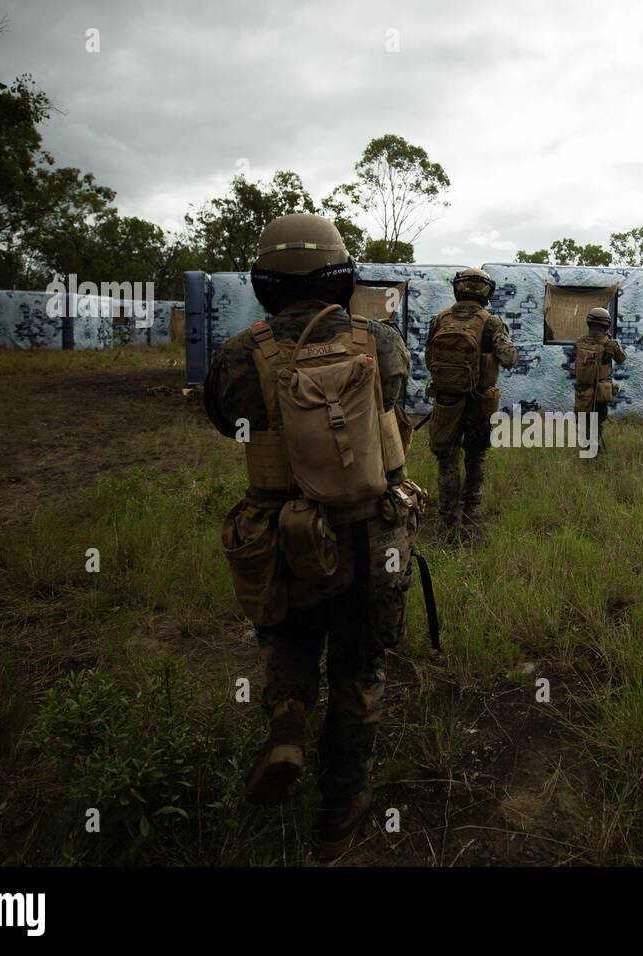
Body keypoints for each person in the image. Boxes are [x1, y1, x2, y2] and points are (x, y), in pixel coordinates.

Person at [203, 212, 423, 860]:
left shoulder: (243, 353)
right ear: (341, 275)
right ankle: (338, 813)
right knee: (360, 667)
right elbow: (398, 397)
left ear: (264, 281)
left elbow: (224, 418)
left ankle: (289, 718)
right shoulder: (379, 342)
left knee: (291, 638)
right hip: (366, 534)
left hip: (282, 534)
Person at [424, 267, 517, 538]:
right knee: (475, 455)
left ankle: (447, 520)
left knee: (447, 459)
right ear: (487, 291)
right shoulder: (491, 322)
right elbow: (509, 359)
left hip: (446, 400)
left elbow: (430, 360)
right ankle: (470, 512)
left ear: (458, 288)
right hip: (480, 402)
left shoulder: (439, 319)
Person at [572, 306, 626, 453]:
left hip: (582, 390)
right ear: (606, 324)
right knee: (597, 421)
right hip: (600, 391)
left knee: (583, 421)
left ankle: (588, 448)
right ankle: (593, 451)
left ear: (589, 322)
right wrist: (615, 345)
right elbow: (622, 359)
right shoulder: (610, 344)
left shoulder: (580, 342)